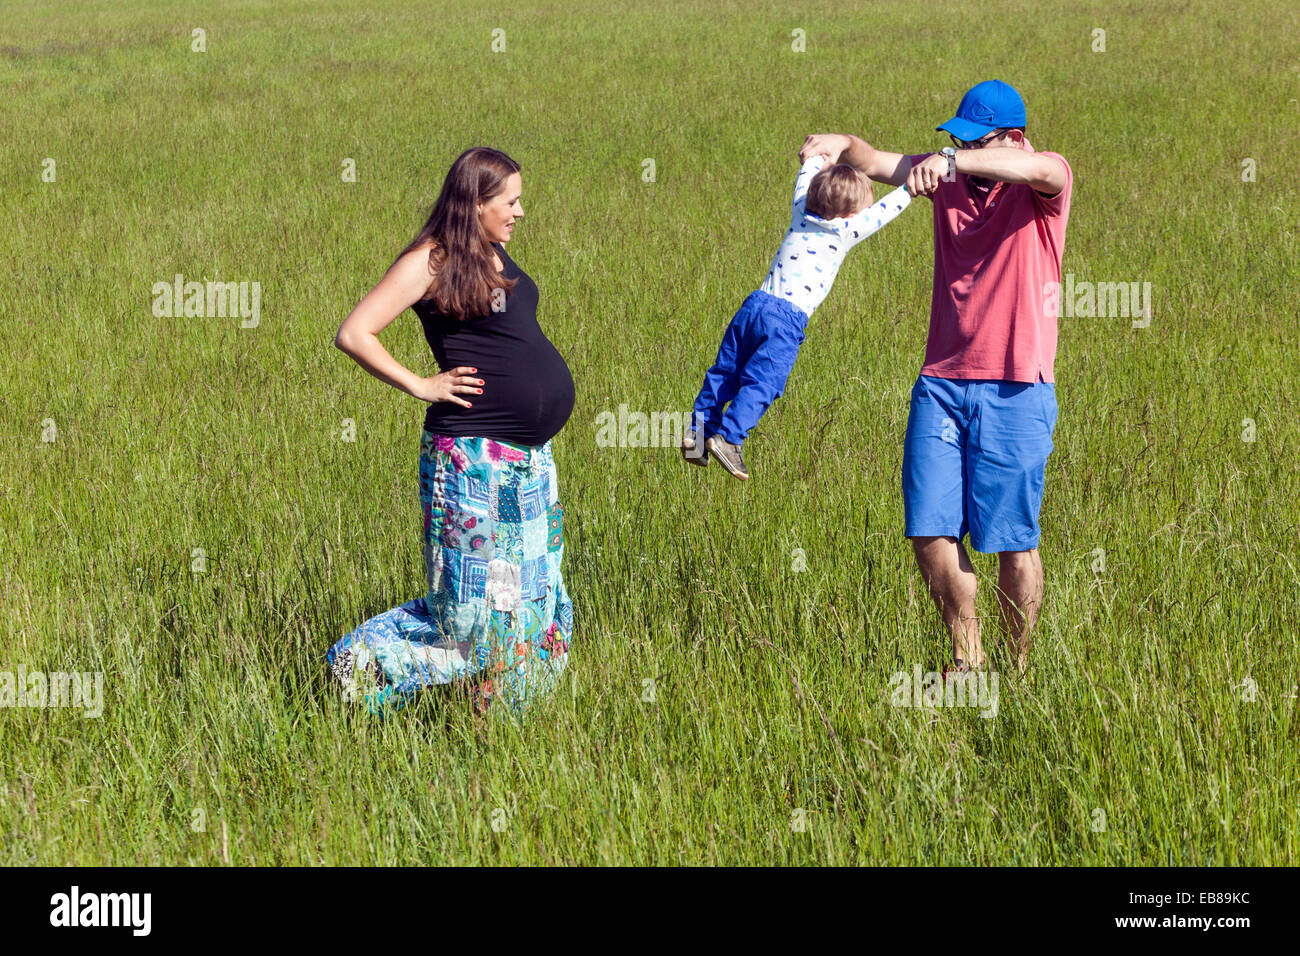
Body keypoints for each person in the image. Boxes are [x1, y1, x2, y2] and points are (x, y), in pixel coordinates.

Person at [801, 80, 1073, 674]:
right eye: (955, 138)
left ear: (1011, 136)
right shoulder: (945, 175)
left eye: (974, 140)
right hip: (942, 383)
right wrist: (843, 142)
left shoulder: (1045, 180)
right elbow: (873, 161)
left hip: (1017, 385)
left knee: (1012, 542)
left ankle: (1021, 666)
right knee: (928, 529)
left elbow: (1038, 171)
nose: (959, 149)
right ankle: (967, 656)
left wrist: (952, 161)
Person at [328, 146, 575, 715]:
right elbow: (355, 331)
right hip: (472, 464)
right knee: (467, 613)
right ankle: (359, 664)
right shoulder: (430, 260)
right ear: (476, 202)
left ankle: (494, 720)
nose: (519, 212)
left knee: (521, 603)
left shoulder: (492, 251)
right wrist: (421, 384)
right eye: (509, 202)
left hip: (526, 466)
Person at [683, 151, 912, 479]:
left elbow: (805, 178)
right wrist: (911, 189)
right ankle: (729, 439)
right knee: (763, 382)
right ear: (850, 212)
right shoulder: (844, 230)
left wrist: (815, 156)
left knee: (725, 372)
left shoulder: (800, 210)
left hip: (754, 305)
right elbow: (882, 213)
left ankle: (697, 434)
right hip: (785, 322)